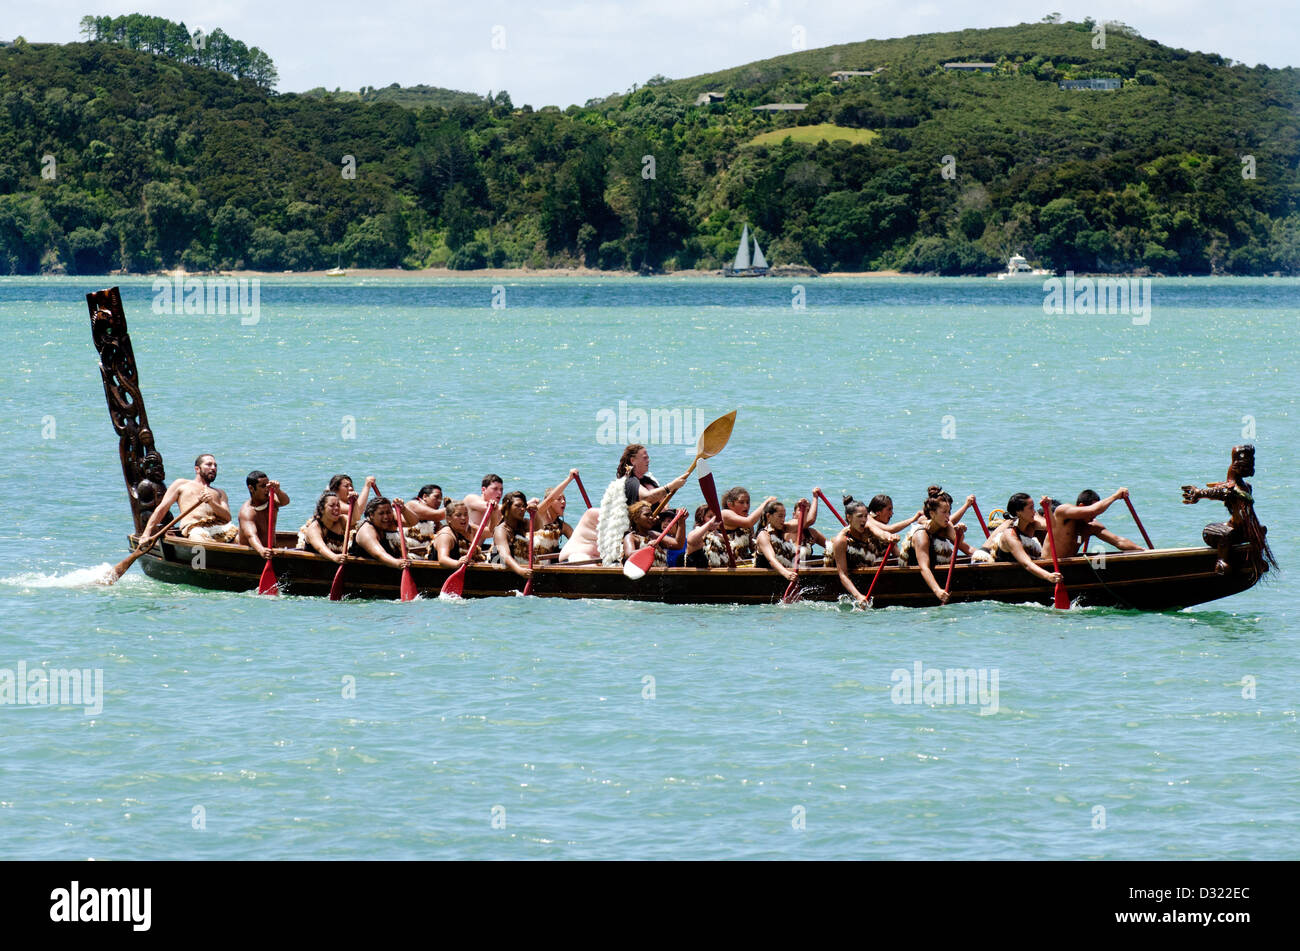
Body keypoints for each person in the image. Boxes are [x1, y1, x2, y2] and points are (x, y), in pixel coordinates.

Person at [900, 491, 978, 604]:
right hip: (915, 584)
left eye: (949, 512)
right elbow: (924, 567)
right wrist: (937, 591)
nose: (948, 516)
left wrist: (987, 556)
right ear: (932, 514)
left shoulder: (945, 527)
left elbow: (960, 544)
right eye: (944, 512)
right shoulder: (921, 535)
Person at [141, 453, 234, 541]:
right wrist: (146, 534)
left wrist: (212, 503)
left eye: (215, 465)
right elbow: (162, 509)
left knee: (238, 536)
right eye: (209, 465)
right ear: (197, 469)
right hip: (195, 528)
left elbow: (227, 518)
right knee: (199, 539)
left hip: (218, 528)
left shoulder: (220, 493)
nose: (213, 468)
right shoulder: (181, 484)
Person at [830, 496, 900, 605]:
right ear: (849, 517)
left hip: (866, 566)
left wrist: (890, 537)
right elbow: (843, 574)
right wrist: (858, 596)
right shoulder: (841, 541)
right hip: (852, 579)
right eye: (859, 516)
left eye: (865, 516)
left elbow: (881, 534)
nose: (863, 520)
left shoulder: (868, 528)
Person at [978, 493, 1062, 584]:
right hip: (987, 567)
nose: (1034, 512)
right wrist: (1048, 576)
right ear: (1018, 512)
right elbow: (1026, 563)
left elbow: (1052, 526)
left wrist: (1048, 508)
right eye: (1030, 508)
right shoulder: (1010, 534)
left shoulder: (1032, 523)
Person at [1046, 488, 1142, 559]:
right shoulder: (1063, 512)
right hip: (1048, 565)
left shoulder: (1091, 526)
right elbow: (1093, 510)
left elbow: (1119, 541)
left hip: (1067, 568)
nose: (1094, 516)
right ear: (1081, 506)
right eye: (1093, 513)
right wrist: (1115, 496)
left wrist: (1144, 551)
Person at [753, 499, 816, 582]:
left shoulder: (783, 528)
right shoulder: (763, 536)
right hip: (765, 579)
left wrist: (802, 510)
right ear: (768, 516)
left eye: (784, 516)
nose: (783, 519)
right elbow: (771, 559)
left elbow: (802, 524)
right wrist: (786, 574)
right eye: (780, 516)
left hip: (782, 575)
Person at [236, 470, 291, 557]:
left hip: (270, 550)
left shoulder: (272, 501)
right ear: (251, 488)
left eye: (267, 485)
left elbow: (285, 501)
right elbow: (251, 535)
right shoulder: (247, 512)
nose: (267, 489)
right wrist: (261, 550)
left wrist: (278, 490)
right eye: (262, 486)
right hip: (252, 554)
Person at [349, 497, 412, 571]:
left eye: (388, 512)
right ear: (371, 515)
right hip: (365, 571)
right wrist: (397, 563)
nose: (386, 517)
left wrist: (403, 509)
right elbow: (379, 554)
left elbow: (412, 522)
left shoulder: (387, 523)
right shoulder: (366, 530)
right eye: (381, 513)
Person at [719, 486, 778, 563]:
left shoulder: (747, 524)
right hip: (723, 563)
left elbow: (752, 547)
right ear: (730, 504)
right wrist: (766, 503)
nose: (746, 506)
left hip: (743, 562)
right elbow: (748, 522)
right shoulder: (724, 514)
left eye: (748, 502)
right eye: (741, 502)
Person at [617, 445, 689, 505]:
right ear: (633, 461)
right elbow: (646, 498)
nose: (648, 460)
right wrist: (671, 486)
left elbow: (664, 505)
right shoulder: (630, 481)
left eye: (648, 458)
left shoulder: (649, 481)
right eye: (645, 458)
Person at [490, 490, 535, 580]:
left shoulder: (524, 523)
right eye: (518, 506)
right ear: (507, 508)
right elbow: (505, 555)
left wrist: (534, 513)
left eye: (524, 506)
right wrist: (520, 571)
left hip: (520, 568)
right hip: (501, 574)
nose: (522, 509)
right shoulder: (500, 530)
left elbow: (540, 528)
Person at [622, 501, 682, 567]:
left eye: (651, 515)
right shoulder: (631, 537)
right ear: (636, 519)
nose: (651, 518)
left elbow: (678, 544)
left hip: (661, 576)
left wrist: (681, 522)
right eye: (646, 515)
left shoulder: (654, 534)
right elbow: (629, 555)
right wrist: (648, 548)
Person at [433, 500, 488, 569]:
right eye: (458, 515)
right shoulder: (445, 536)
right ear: (449, 518)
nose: (463, 518)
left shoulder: (470, 528)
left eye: (465, 514)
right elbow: (443, 559)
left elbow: (490, 533)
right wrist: (457, 563)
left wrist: (494, 513)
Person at [297, 491, 349, 563]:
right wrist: (334, 557)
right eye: (332, 505)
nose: (336, 508)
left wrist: (355, 502)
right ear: (321, 509)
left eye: (338, 505)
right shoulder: (314, 527)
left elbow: (356, 519)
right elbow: (320, 547)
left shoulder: (342, 520)